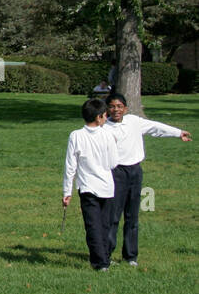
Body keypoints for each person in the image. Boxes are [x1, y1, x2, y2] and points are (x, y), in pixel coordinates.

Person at [103, 92, 192, 266]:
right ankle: (106, 254)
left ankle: (130, 256)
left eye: (119, 106)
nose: (116, 110)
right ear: (107, 109)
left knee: (132, 216)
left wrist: (178, 132)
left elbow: (155, 127)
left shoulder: (134, 122)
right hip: (116, 173)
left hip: (135, 172)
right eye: (112, 106)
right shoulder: (104, 128)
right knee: (113, 216)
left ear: (126, 108)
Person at [63, 98, 119, 271]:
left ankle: (101, 261)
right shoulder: (108, 135)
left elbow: (70, 166)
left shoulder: (76, 136)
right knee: (104, 225)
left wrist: (67, 191)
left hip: (87, 187)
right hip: (106, 187)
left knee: (93, 225)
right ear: (99, 117)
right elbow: (113, 162)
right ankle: (102, 259)